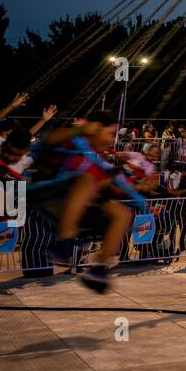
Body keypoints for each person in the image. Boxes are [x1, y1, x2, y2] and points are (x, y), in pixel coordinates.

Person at [26, 110, 147, 292]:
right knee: (87, 179)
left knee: (122, 213)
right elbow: (49, 140)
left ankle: (99, 270)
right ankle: (63, 242)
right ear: (95, 129)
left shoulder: (94, 160)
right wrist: (79, 130)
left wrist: (138, 188)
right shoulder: (72, 142)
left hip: (74, 204)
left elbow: (107, 187)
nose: (110, 140)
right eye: (110, 134)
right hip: (48, 192)